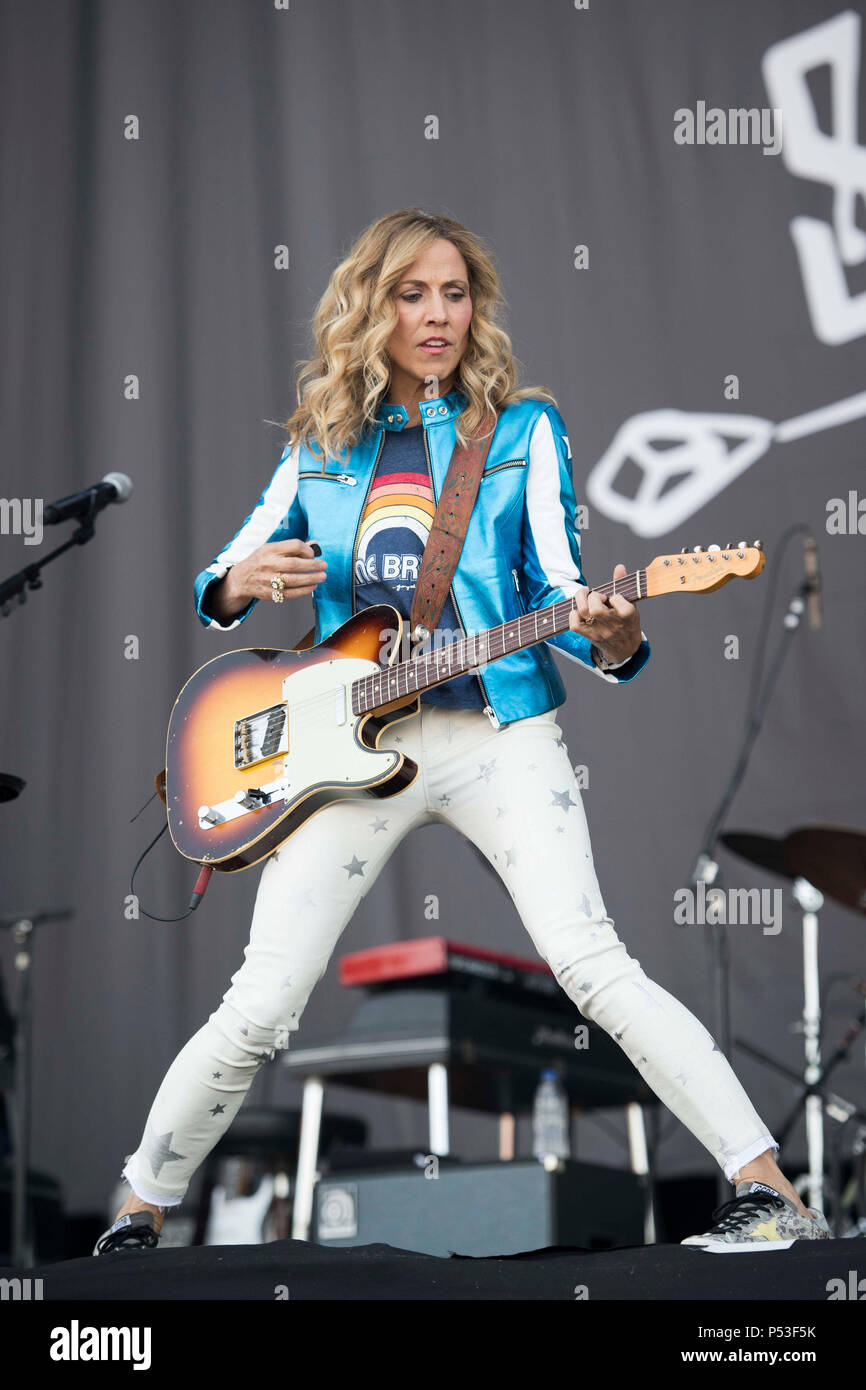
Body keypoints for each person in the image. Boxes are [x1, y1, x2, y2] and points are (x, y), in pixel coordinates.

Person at [95, 208, 829, 1257]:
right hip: (346, 751)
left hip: (496, 728)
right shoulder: (322, 445)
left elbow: (561, 591)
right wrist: (235, 583)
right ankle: (137, 1213)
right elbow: (221, 574)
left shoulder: (522, 431)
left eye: (454, 292)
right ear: (371, 306)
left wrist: (612, 636)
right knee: (259, 1002)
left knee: (589, 959)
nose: (437, 313)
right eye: (411, 293)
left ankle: (769, 1192)